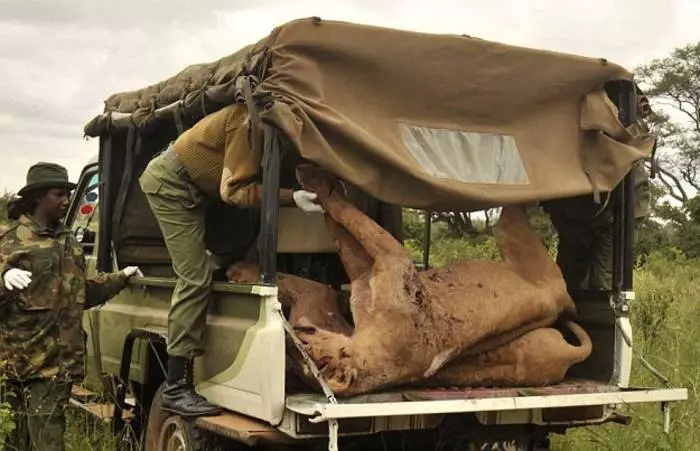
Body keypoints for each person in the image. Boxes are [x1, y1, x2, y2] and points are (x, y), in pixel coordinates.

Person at [139, 104, 323, 417]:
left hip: (205, 189)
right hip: (173, 185)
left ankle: (210, 270)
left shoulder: (272, 128)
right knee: (194, 277)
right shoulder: (249, 122)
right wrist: (290, 197)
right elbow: (234, 192)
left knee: (239, 239)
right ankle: (175, 387)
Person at [0, 162, 142, 451]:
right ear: (38, 196)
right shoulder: (10, 239)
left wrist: (120, 278)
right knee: (16, 442)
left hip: (58, 366)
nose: (66, 200)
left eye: (68, 194)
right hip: (17, 363)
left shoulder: (69, 242)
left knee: (49, 441)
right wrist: (2, 278)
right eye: (58, 194)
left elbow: (79, 295)